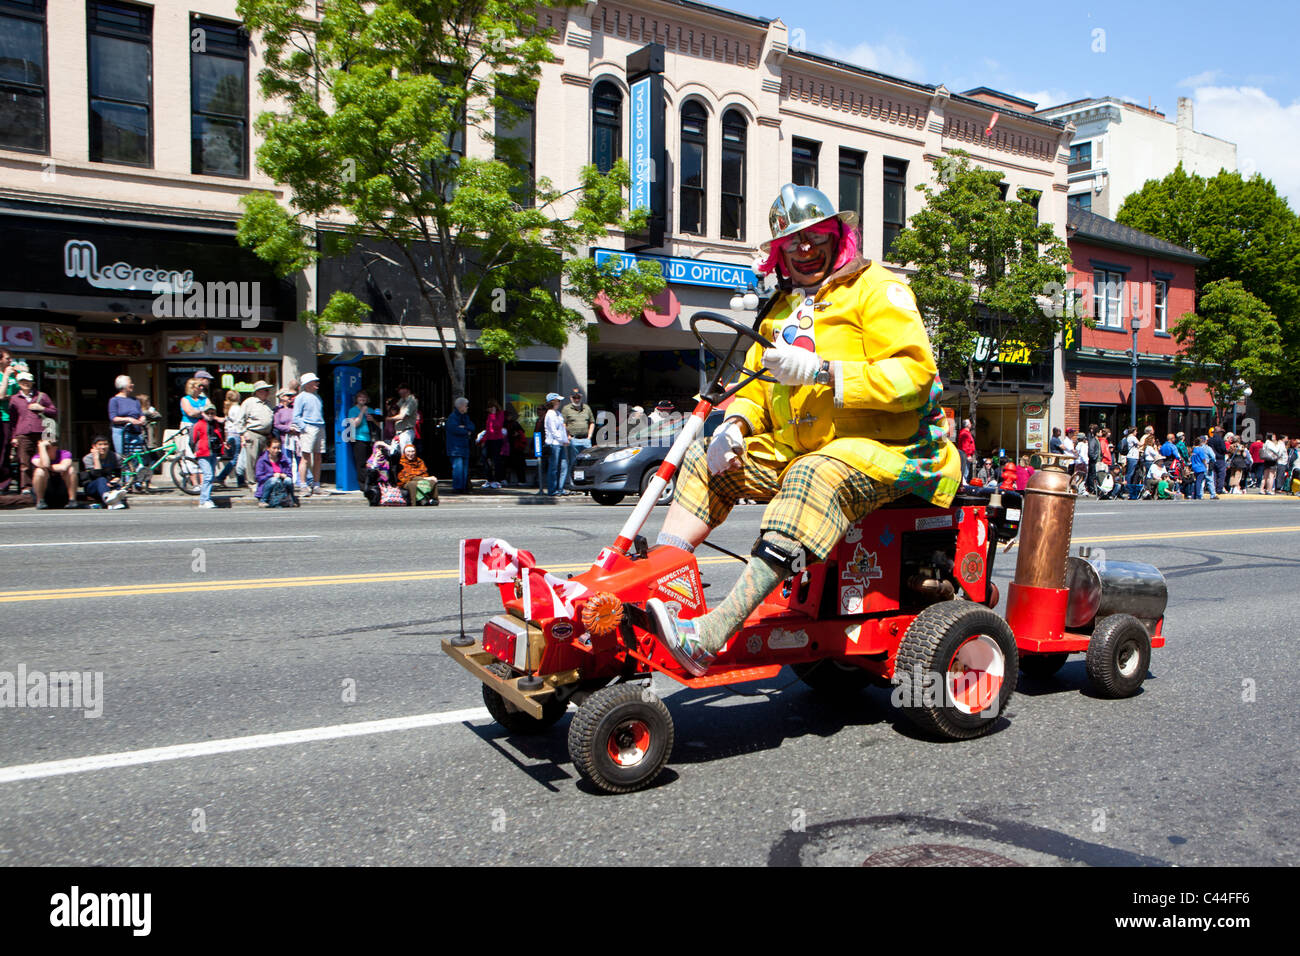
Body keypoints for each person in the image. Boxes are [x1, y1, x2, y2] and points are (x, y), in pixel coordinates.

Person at [645, 183, 960, 675]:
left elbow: (915, 379)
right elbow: (753, 385)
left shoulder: (878, 288)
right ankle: (657, 592)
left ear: (837, 235)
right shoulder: (778, 309)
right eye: (792, 241)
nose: (805, 248)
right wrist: (734, 423)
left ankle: (708, 636)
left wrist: (822, 371)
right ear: (778, 252)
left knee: (813, 475)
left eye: (814, 235)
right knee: (703, 459)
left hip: (899, 450)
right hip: (806, 448)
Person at [8, 370, 56, 493]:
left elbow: (54, 411)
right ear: (19, 383)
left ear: (32, 382)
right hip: (23, 433)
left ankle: (44, 485)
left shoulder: (42, 396)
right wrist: (14, 437)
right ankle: (27, 487)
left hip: (41, 432)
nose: (26, 384)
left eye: (28, 381)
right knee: (24, 462)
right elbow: (13, 420)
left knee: (44, 460)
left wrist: (41, 408)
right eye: (23, 381)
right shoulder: (14, 399)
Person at [291, 372, 326, 496]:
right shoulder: (301, 397)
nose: (317, 383)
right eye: (314, 381)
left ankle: (316, 484)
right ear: (307, 384)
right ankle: (303, 484)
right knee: (305, 457)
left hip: (320, 426)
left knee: (318, 457)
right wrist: (304, 427)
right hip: (309, 427)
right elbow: (296, 416)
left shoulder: (317, 397)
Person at [240, 381, 276, 487]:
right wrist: (243, 434)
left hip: (266, 435)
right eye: (265, 390)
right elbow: (240, 419)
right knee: (252, 459)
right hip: (253, 433)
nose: (267, 392)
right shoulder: (249, 402)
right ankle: (252, 482)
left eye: (267, 390)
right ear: (258, 391)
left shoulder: (269, 404)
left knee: (264, 459)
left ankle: (263, 479)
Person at [345, 390, 380, 496]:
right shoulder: (352, 410)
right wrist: (361, 413)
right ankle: (363, 485)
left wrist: (372, 419)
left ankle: (371, 483)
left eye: (364, 397)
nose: (362, 399)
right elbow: (354, 424)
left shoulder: (370, 410)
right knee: (361, 464)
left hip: (370, 439)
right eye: (360, 397)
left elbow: (378, 425)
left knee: (370, 463)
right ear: (357, 399)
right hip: (358, 439)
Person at [190, 404, 224, 509]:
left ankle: (205, 499)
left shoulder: (216, 425)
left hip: (213, 452)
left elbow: (219, 437)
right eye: (207, 413)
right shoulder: (198, 425)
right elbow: (192, 439)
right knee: (208, 476)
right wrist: (195, 451)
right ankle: (205, 500)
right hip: (203, 453)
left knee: (211, 476)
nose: (210, 415)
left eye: (212, 413)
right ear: (203, 414)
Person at [562, 388, 596, 491]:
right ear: (571, 398)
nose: (577, 399)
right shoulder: (566, 409)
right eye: (574, 397)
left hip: (586, 440)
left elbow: (592, 422)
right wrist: (568, 436)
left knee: (588, 462)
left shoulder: (586, 408)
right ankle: (573, 484)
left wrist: (590, 436)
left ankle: (587, 484)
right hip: (574, 439)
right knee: (574, 462)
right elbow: (563, 423)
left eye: (578, 397)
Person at [80, 436, 128, 509]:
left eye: (105, 444)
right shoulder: (88, 458)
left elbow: (118, 473)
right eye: (100, 444)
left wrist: (115, 480)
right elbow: (96, 475)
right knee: (101, 480)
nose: (103, 447)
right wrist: (96, 458)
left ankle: (113, 502)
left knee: (118, 487)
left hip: (109, 484)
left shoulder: (115, 456)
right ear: (94, 446)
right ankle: (108, 498)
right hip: (93, 486)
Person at [31, 437, 78, 509]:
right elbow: (45, 464)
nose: (45, 450)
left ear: (55, 447)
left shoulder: (64, 453)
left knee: (71, 469)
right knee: (39, 471)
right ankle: (40, 501)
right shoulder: (36, 457)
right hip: (46, 491)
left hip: (61, 489)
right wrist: (42, 448)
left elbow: (63, 467)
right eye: (43, 448)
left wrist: (48, 467)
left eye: (47, 447)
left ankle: (72, 500)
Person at [253, 435, 298, 507]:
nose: (276, 450)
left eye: (278, 448)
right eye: (274, 448)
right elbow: (259, 477)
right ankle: (263, 500)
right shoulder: (262, 460)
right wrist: (271, 475)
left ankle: (291, 500)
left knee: (288, 480)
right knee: (274, 480)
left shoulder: (283, 459)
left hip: (280, 484)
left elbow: (289, 474)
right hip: (267, 485)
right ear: (268, 448)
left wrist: (285, 475)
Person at [108, 375, 146, 458]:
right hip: (122, 432)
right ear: (123, 385)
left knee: (137, 457)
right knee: (124, 458)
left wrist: (142, 419)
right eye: (130, 383)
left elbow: (141, 414)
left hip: (136, 432)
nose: (133, 385)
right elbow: (113, 418)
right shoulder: (114, 400)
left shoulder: (135, 400)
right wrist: (129, 419)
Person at [216, 389, 245, 488]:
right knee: (236, 459)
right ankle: (221, 477)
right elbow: (240, 422)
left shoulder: (229, 409)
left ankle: (240, 480)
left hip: (230, 434)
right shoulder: (237, 408)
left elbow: (226, 425)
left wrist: (226, 438)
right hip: (237, 434)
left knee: (236, 458)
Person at [0, 348, 20, 491]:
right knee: (2, 450)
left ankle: (8, 482)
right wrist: (6, 376)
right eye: (7, 358)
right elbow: (1, 396)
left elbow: (21, 394)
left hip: (15, 418)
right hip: (3, 417)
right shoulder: (4, 376)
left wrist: (20, 374)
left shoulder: (14, 375)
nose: (10, 361)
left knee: (11, 451)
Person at [541, 393, 569, 496]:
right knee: (553, 468)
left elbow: (562, 428)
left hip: (560, 443)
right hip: (554, 444)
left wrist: (565, 439)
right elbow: (553, 430)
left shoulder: (558, 413)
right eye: (558, 401)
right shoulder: (550, 414)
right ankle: (552, 490)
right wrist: (563, 440)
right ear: (553, 402)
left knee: (563, 466)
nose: (559, 403)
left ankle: (560, 488)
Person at [445, 396, 474, 492]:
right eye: (466, 406)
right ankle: (458, 487)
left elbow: (472, 427)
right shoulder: (452, 417)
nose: (467, 407)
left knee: (464, 469)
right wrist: (466, 430)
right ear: (460, 406)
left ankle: (463, 486)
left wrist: (463, 428)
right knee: (458, 469)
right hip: (455, 447)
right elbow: (454, 429)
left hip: (463, 446)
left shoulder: (465, 417)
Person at [481, 399, 507, 489]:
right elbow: (488, 429)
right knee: (484, 458)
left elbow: (497, 425)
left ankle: (497, 479)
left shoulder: (500, 414)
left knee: (496, 460)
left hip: (496, 439)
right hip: (489, 439)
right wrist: (483, 440)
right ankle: (490, 479)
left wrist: (493, 415)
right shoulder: (489, 415)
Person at [388, 384, 418, 455]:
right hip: (399, 432)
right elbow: (395, 410)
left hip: (406, 431)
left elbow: (402, 416)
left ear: (407, 390)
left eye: (401, 390)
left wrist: (387, 419)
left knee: (406, 455)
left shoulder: (412, 401)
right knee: (393, 453)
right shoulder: (402, 400)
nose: (399, 392)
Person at [504, 405, 528, 486]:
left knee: (517, 466)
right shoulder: (508, 424)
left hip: (515, 448)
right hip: (512, 448)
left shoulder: (513, 424)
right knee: (509, 465)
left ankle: (519, 480)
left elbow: (520, 433)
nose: (509, 417)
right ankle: (519, 480)